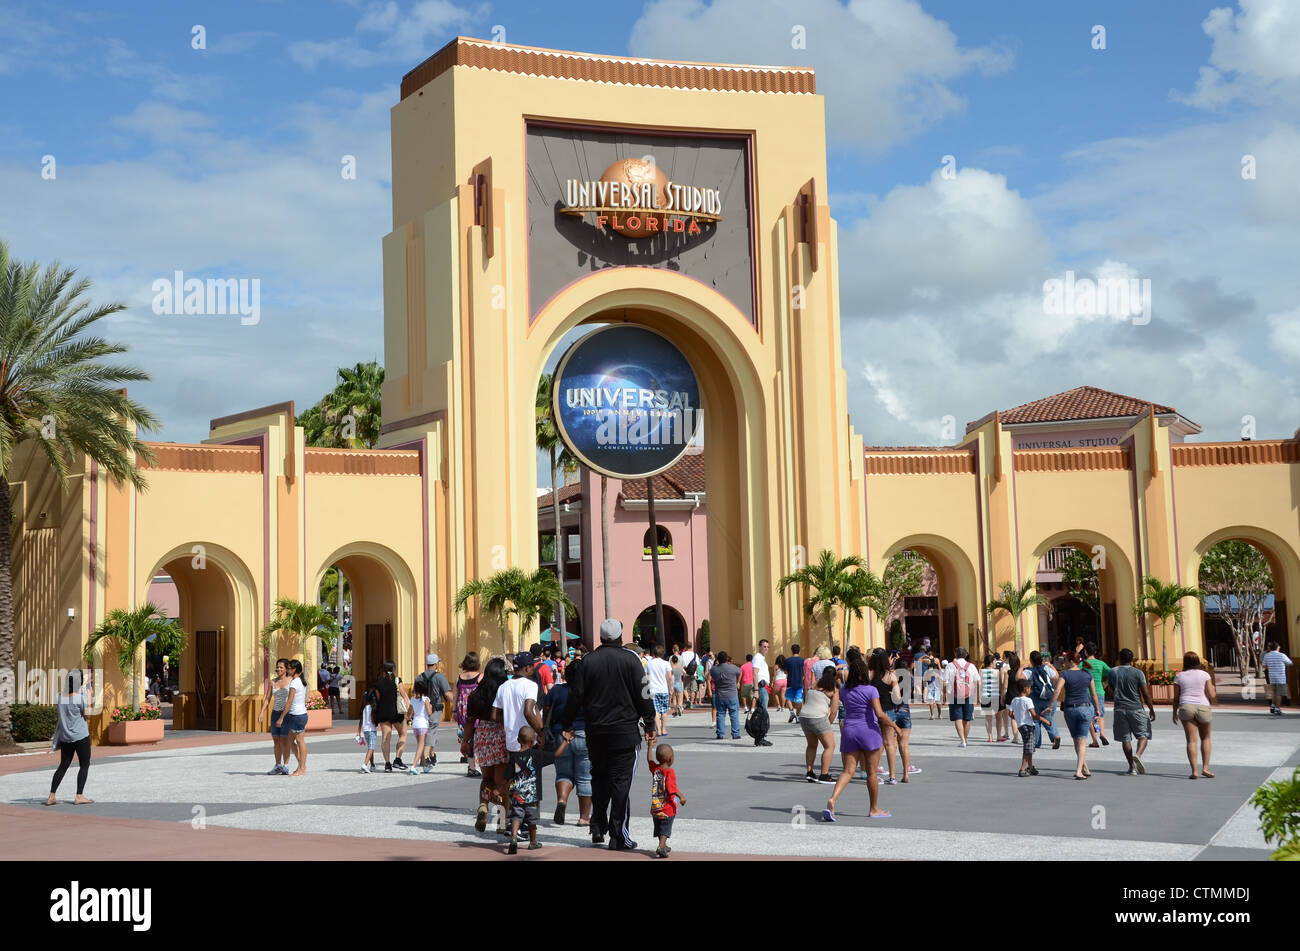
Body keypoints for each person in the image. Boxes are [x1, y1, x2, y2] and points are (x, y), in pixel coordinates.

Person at [561, 618, 657, 851]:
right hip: (624, 733)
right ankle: (618, 835)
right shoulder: (632, 661)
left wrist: (567, 723)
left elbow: (576, 695)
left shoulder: (587, 661)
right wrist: (651, 723)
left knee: (600, 779)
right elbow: (643, 693)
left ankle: (597, 825)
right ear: (620, 636)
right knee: (620, 785)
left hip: (596, 732)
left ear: (602, 637)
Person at [822, 653, 900, 821]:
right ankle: (873, 809)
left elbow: (836, 704)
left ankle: (833, 799)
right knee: (872, 773)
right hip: (869, 732)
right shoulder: (871, 690)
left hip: (850, 731)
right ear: (864, 673)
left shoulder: (844, 691)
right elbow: (879, 714)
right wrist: (894, 726)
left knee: (848, 771)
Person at [504, 725, 569, 854]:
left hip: (517, 796)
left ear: (518, 740)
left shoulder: (514, 758)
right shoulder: (537, 755)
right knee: (532, 821)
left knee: (516, 817)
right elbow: (556, 755)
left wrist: (501, 791)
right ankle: (533, 842)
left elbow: (507, 778)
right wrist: (565, 741)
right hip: (532, 796)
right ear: (533, 740)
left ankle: (513, 838)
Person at [462, 657, 510, 833]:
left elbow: (470, 721)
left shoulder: (476, 694)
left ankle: (483, 805)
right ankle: (501, 822)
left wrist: (466, 741)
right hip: (501, 736)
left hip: (482, 735)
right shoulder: (505, 692)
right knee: (501, 782)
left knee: (486, 779)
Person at [542, 664, 591, 826]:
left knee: (563, 774)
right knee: (585, 777)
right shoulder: (587, 692)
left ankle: (562, 801)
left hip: (560, 735)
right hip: (583, 734)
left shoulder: (556, 690)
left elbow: (546, 710)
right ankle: (584, 817)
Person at [46, 670, 93, 806]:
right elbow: (88, 716)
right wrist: (89, 700)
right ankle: (79, 795)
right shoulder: (80, 698)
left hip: (65, 737)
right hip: (81, 736)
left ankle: (51, 796)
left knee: (63, 765)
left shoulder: (59, 697)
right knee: (84, 764)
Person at [1051, 654, 1100, 780]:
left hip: (1070, 709)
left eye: (1066, 661)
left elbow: (1057, 691)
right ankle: (1084, 768)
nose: (1064, 663)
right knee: (1082, 741)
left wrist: (1051, 705)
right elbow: (1094, 695)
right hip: (1085, 707)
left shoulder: (1065, 674)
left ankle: (1079, 771)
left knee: (1077, 741)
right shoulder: (1087, 674)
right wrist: (1098, 709)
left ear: (1071, 661)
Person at [1107, 648, 1155, 775]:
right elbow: (1145, 693)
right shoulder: (1138, 673)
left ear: (1120, 658)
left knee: (1125, 739)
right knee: (1143, 734)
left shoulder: (1113, 672)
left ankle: (1132, 767)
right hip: (1136, 708)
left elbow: (1111, 688)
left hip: (1119, 708)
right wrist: (1151, 708)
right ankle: (1138, 755)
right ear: (1131, 659)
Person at [1173, 651, 1216, 779]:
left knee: (1191, 740)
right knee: (1206, 738)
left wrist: (1174, 712)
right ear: (1198, 661)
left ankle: (1194, 771)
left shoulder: (1179, 676)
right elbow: (1211, 695)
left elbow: (1176, 697)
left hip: (1186, 706)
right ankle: (1206, 768)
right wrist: (1213, 687)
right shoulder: (1205, 675)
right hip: (1203, 706)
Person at [881, 655, 920, 782]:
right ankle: (906, 774)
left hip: (893, 711)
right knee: (904, 744)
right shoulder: (911, 678)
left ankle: (891, 774)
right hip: (905, 711)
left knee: (890, 744)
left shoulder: (892, 677)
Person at [800, 666, 840, 783]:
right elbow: (833, 711)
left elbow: (807, 698)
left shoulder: (814, 684)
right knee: (830, 746)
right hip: (818, 717)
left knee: (812, 745)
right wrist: (828, 725)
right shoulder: (834, 688)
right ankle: (824, 774)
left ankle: (810, 772)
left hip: (804, 716)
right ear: (835, 676)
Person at [413, 653, 453, 772]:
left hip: (422, 709)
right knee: (431, 732)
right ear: (435, 664)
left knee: (427, 732)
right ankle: (425, 758)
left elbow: (415, 695)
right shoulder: (440, 677)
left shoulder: (419, 677)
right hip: (435, 708)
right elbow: (447, 694)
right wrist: (456, 703)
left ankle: (431, 754)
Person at [649, 742, 686, 859]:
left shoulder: (656, 769)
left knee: (659, 826)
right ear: (671, 759)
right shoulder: (670, 772)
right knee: (665, 828)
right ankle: (661, 846)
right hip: (667, 808)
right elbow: (672, 789)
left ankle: (663, 845)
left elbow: (649, 761)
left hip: (656, 807)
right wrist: (681, 796)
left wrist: (650, 747)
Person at [1010, 678, 1052, 777]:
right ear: (1025, 689)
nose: (1030, 690)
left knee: (1029, 747)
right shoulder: (1028, 700)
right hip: (1028, 726)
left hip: (1021, 726)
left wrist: (1019, 718)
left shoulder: (1014, 700)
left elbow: (1010, 714)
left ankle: (1031, 767)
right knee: (1027, 748)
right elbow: (1034, 715)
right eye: (1029, 688)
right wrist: (1045, 720)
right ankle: (1023, 769)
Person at [374, 660, 410, 772]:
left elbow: (378, 699)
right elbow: (404, 696)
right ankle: (397, 759)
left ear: (384, 670)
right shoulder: (397, 680)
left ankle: (387, 764)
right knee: (403, 734)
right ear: (394, 669)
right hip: (396, 712)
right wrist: (409, 712)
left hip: (383, 712)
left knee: (385, 738)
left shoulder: (379, 683)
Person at [258, 658, 292, 775]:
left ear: (286, 668)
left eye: (281, 667)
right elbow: (267, 699)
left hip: (286, 714)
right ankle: (278, 765)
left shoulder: (291, 681)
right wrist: (262, 712)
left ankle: (286, 766)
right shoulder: (273, 682)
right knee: (276, 740)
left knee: (284, 740)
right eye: (277, 667)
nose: (278, 669)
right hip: (275, 713)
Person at [277, 660, 309, 776]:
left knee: (300, 741)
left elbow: (289, 702)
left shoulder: (295, 682)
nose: (287, 670)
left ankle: (302, 768)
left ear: (294, 670)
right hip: (297, 715)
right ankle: (301, 765)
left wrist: (281, 718)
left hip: (297, 715)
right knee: (289, 741)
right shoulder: (300, 681)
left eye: (289, 668)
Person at [454, 652, 483, 776]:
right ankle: (482, 765)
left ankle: (471, 766)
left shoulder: (459, 678)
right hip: (476, 709)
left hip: (463, 710)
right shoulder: (480, 677)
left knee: (469, 738)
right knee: (480, 737)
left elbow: (455, 696)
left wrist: (454, 711)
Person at [944, 647, 980, 746]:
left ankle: (962, 740)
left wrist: (946, 693)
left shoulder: (950, 665)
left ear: (955, 654)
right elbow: (977, 681)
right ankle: (966, 738)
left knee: (958, 718)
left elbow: (945, 681)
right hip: (969, 694)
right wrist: (978, 696)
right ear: (965, 655)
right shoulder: (971, 666)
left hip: (954, 695)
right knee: (967, 718)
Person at [1026, 651, 1061, 750]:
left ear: (1031, 660)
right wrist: (1051, 666)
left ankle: (1037, 742)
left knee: (1036, 720)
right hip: (1049, 698)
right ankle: (1055, 736)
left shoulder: (1030, 670)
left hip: (1036, 698)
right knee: (1048, 718)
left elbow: (1019, 677)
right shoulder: (1046, 668)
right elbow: (1056, 677)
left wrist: (1022, 667)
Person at [1080, 644, 1111, 748]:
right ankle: (1102, 734)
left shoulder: (1082, 664)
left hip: (1086, 692)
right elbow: (1111, 673)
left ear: (1085, 652)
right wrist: (1105, 683)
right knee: (1100, 715)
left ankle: (1094, 741)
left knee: (1089, 717)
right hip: (1099, 692)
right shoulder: (1101, 663)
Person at [710, 650, 743, 739]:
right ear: (726, 659)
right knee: (734, 714)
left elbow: (709, 675)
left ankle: (720, 733)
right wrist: (738, 682)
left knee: (720, 714)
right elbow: (740, 672)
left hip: (720, 695)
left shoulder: (714, 669)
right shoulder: (732, 667)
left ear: (718, 659)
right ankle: (735, 734)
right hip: (732, 694)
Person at [645, 643, 673, 736]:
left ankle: (658, 730)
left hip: (653, 690)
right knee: (664, 711)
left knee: (656, 711)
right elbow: (669, 677)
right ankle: (664, 729)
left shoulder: (649, 663)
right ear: (662, 653)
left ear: (654, 653)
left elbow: (646, 676)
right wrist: (670, 688)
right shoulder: (666, 663)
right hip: (664, 689)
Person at [407, 681, 433, 777]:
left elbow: (409, 713)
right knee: (421, 745)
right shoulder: (425, 699)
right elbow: (429, 713)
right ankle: (413, 766)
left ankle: (425, 765)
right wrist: (430, 706)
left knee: (420, 745)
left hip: (415, 724)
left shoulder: (413, 700)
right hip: (423, 724)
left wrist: (409, 718)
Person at [1262, 641, 1293, 715]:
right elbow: (1290, 663)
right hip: (1281, 677)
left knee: (1274, 692)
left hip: (1272, 676)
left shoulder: (1267, 655)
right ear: (1277, 647)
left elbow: (1264, 665)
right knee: (1279, 693)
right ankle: (1277, 708)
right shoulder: (1282, 655)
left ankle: (1272, 706)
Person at [978, 653, 1002, 743]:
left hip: (985, 695)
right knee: (998, 716)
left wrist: (979, 696)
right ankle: (999, 735)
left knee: (988, 718)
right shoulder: (997, 672)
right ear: (991, 662)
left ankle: (990, 737)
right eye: (995, 661)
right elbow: (1000, 684)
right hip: (995, 695)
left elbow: (979, 684)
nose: (996, 662)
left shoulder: (981, 671)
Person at [999, 651, 1021, 742]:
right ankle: (1022, 735)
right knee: (1021, 717)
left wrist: (1002, 697)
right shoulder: (1021, 672)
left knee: (1013, 717)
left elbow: (1004, 687)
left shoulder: (1008, 673)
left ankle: (1016, 737)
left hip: (1010, 696)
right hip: (1021, 696)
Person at [783, 644, 806, 723]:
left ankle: (792, 712)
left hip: (790, 682)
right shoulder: (803, 660)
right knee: (799, 700)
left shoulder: (788, 660)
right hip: (799, 682)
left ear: (792, 650)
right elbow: (804, 672)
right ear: (799, 651)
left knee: (788, 698)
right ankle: (798, 716)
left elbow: (785, 671)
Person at [752, 639, 772, 711]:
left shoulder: (762, 658)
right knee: (763, 711)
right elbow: (755, 673)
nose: (766, 648)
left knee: (762, 710)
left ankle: (761, 722)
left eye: (767, 647)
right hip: (761, 687)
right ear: (760, 647)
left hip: (764, 687)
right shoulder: (757, 657)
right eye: (764, 646)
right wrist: (756, 690)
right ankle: (762, 722)